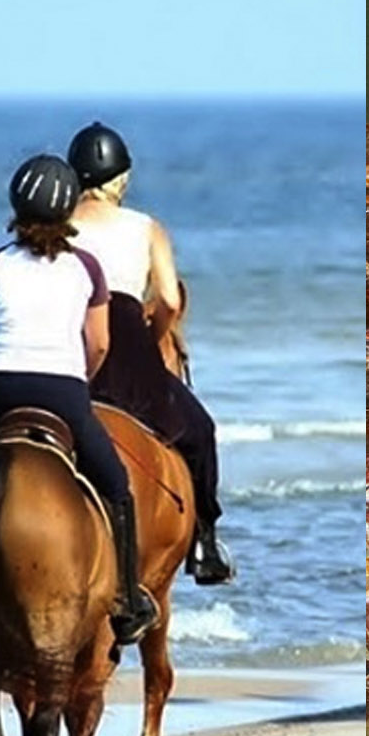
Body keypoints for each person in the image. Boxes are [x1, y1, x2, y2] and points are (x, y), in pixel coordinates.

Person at [0, 153, 158, 645]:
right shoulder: (87, 269)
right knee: (117, 485)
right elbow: (98, 343)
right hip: (64, 392)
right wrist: (77, 383)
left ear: (16, 207)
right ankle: (126, 598)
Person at [66, 121, 233, 585]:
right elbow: (171, 301)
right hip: (126, 348)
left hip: (66, 349)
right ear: (122, 179)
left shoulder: (54, 228)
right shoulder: (145, 227)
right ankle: (205, 542)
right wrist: (151, 333)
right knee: (199, 432)